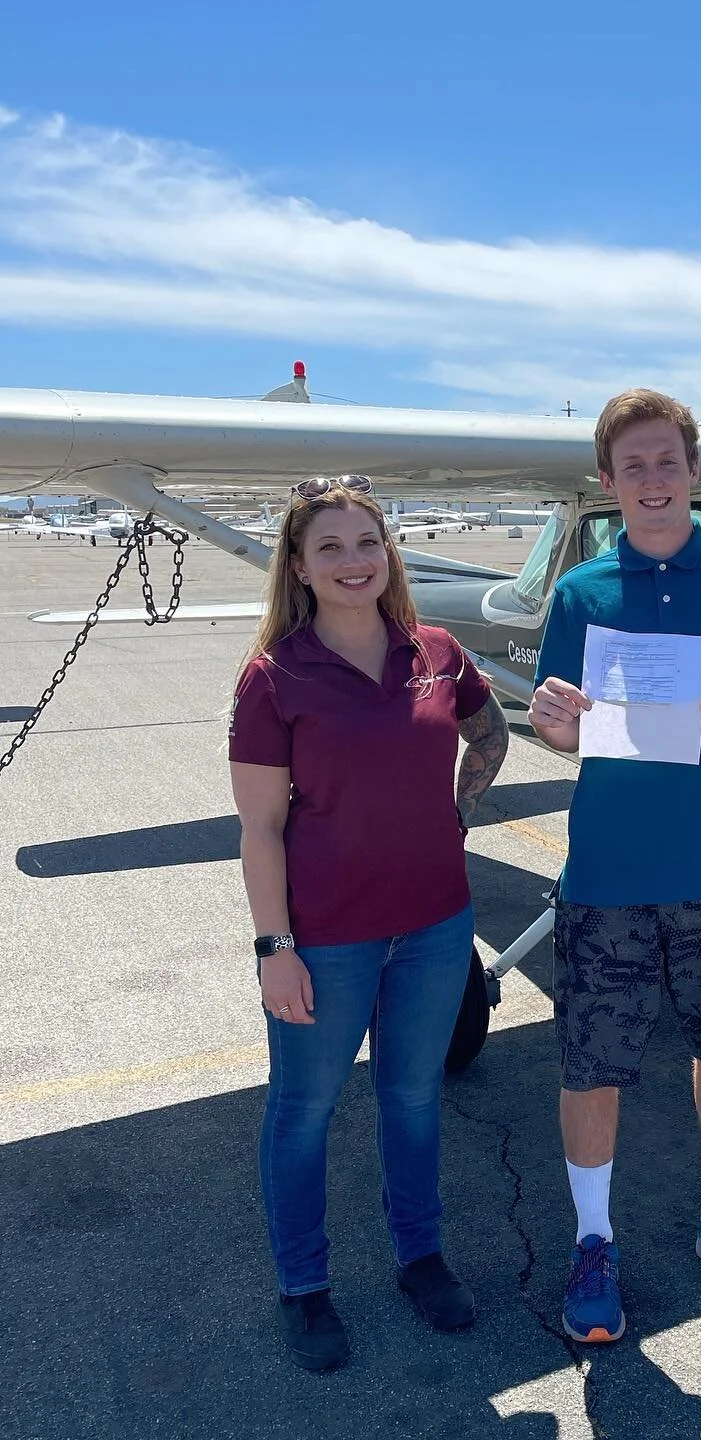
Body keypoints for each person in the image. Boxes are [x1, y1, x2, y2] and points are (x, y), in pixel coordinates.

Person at [528, 389, 701, 1344]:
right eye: (632, 467)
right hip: (607, 874)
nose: (652, 481)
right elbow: (573, 733)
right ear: (607, 483)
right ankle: (594, 1242)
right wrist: (553, 723)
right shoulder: (581, 593)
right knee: (590, 1065)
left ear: (694, 472)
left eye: (668, 462)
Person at [228, 475, 508, 1373]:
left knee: (414, 1098)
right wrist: (275, 948)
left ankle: (419, 1257)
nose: (354, 562)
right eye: (331, 549)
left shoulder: (435, 649)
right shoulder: (275, 677)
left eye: (367, 543)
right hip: (328, 935)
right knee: (304, 1110)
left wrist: (459, 808)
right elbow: (260, 828)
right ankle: (303, 1288)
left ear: (388, 553)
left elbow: (489, 731)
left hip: (433, 925)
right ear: (301, 569)